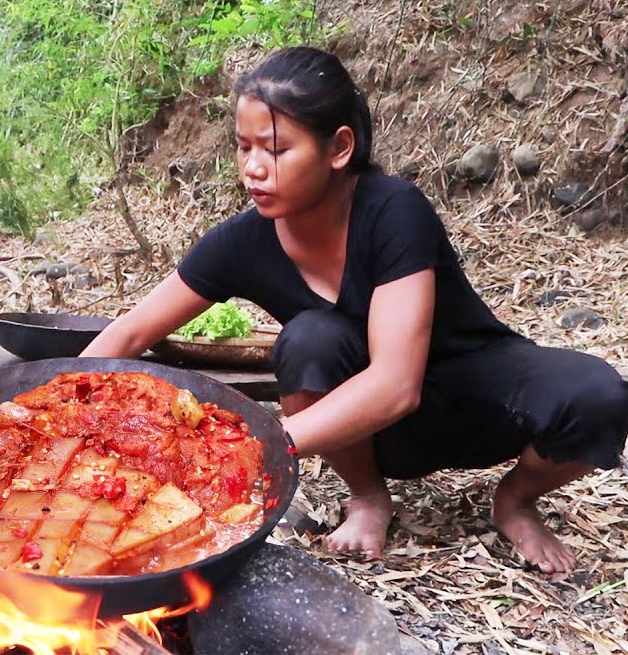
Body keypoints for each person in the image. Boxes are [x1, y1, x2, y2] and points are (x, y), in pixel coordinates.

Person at [80, 45, 628, 574]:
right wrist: (43, 409)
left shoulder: (393, 211)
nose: (253, 168)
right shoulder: (241, 242)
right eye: (243, 147)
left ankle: (515, 500)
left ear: (339, 148)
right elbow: (129, 333)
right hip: (363, 432)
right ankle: (367, 497)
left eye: (274, 149)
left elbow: (397, 384)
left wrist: (256, 443)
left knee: (599, 397)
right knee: (309, 338)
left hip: (477, 397)